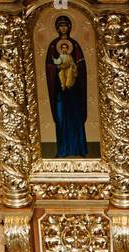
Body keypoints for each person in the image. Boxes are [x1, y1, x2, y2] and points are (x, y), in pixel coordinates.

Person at [45, 15, 87, 158]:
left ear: (70, 27)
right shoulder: (53, 45)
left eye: (66, 25)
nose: (63, 28)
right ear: (57, 28)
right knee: (61, 118)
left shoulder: (74, 45)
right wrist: (58, 69)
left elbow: (81, 65)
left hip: (74, 90)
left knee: (75, 116)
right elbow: (50, 66)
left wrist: (74, 69)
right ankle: (62, 150)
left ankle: (79, 149)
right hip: (59, 90)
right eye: (61, 25)